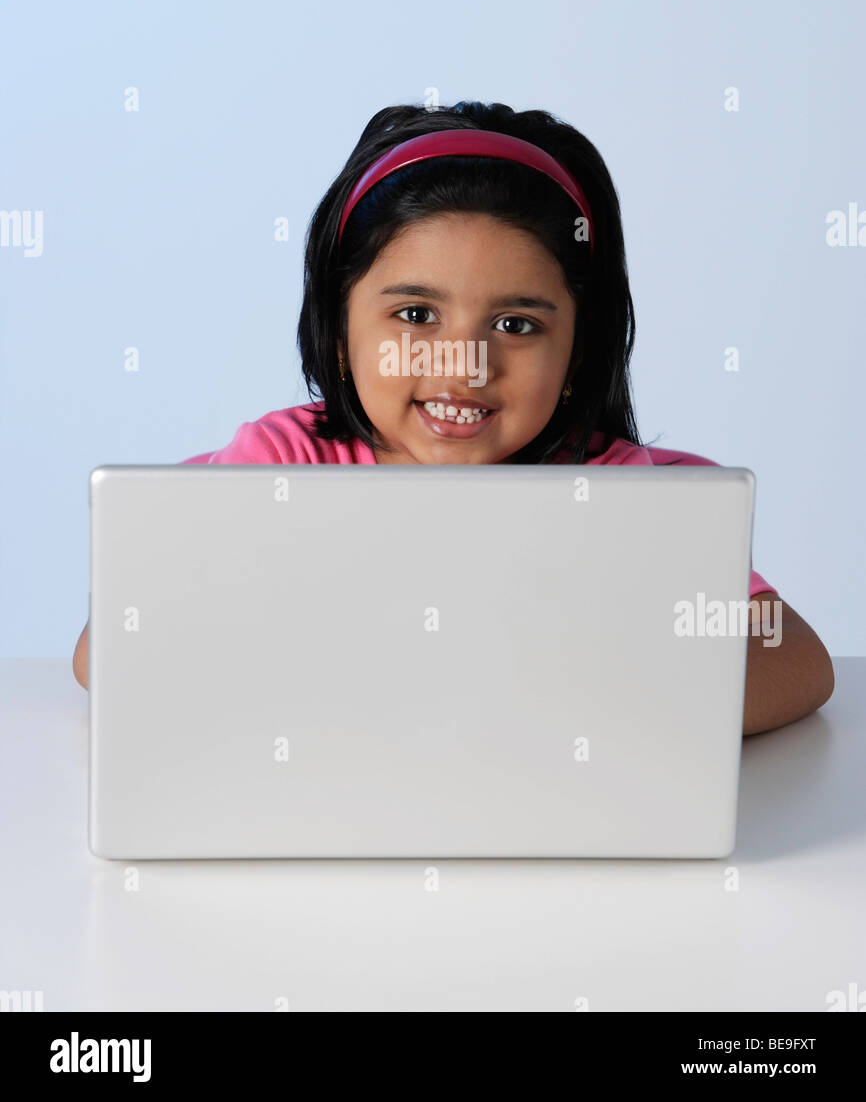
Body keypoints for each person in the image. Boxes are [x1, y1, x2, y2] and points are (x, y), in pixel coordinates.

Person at [72, 100, 834, 735]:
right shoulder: (280, 466)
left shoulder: (628, 493)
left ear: (577, 352)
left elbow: (793, 657)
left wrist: (591, 703)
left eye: (516, 325)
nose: (463, 365)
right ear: (341, 336)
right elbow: (102, 651)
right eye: (415, 314)